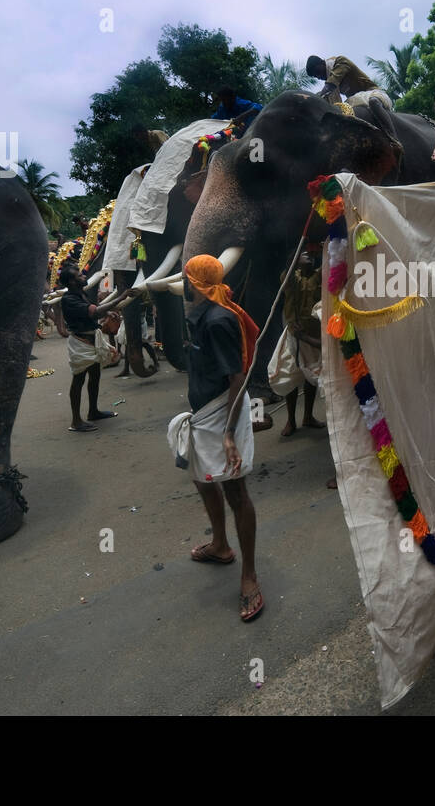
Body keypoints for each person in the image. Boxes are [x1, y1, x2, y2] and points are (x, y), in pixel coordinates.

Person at [182, 254, 264, 621]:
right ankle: (220, 545)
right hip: (203, 414)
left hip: (221, 413)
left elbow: (237, 378)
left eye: (186, 277)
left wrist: (229, 432)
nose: (182, 283)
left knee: (234, 489)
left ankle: (249, 576)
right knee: (203, 480)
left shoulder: (217, 320)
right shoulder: (203, 314)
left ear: (195, 284)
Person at [59, 265, 131, 432]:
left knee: (95, 375)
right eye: (79, 275)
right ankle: (76, 421)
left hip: (90, 340)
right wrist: (120, 298)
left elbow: (92, 311)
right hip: (81, 342)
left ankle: (93, 411)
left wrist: (108, 314)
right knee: (78, 379)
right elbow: (95, 312)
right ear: (71, 281)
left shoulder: (80, 294)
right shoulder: (69, 298)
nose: (84, 276)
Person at [305, 55, 402, 156]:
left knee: (373, 102)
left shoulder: (341, 62)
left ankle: (394, 140)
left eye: (318, 72)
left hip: (374, 94)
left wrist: (316, 100)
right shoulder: (330, 81)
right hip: (356, 102)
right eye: (316, 77)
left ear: (322, 63)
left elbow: (330, 85)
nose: (319, 77)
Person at [277, 252, 324, 438]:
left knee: (310, 375)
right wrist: (294, 260)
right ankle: (291, 419)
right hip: (294, 334)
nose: (309, 257)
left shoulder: (319, 275)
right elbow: (286, 278)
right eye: (305, 254)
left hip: (312, 333)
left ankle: (308, 416)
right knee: (292, 375)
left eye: (312, 255)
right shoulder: (291, 277)